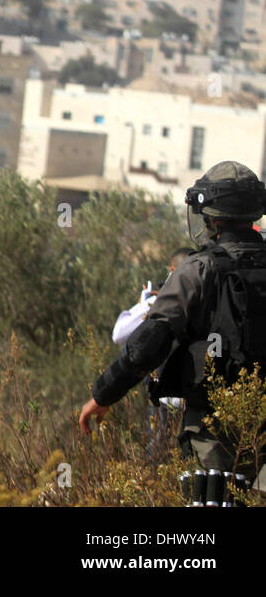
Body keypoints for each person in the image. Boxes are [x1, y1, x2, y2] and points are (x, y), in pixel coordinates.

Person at [80, 161, 266, 490]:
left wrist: (104, 394)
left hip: (214, 428)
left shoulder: (199, 269)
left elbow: (150, 341)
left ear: (211, 218)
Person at [110, 247, 195, 454]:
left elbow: (119, 334)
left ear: (172, 270)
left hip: (167, 404)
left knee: (158, 462)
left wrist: (144, 305)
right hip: (198, 403)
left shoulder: (159, 302)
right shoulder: (210, 297)